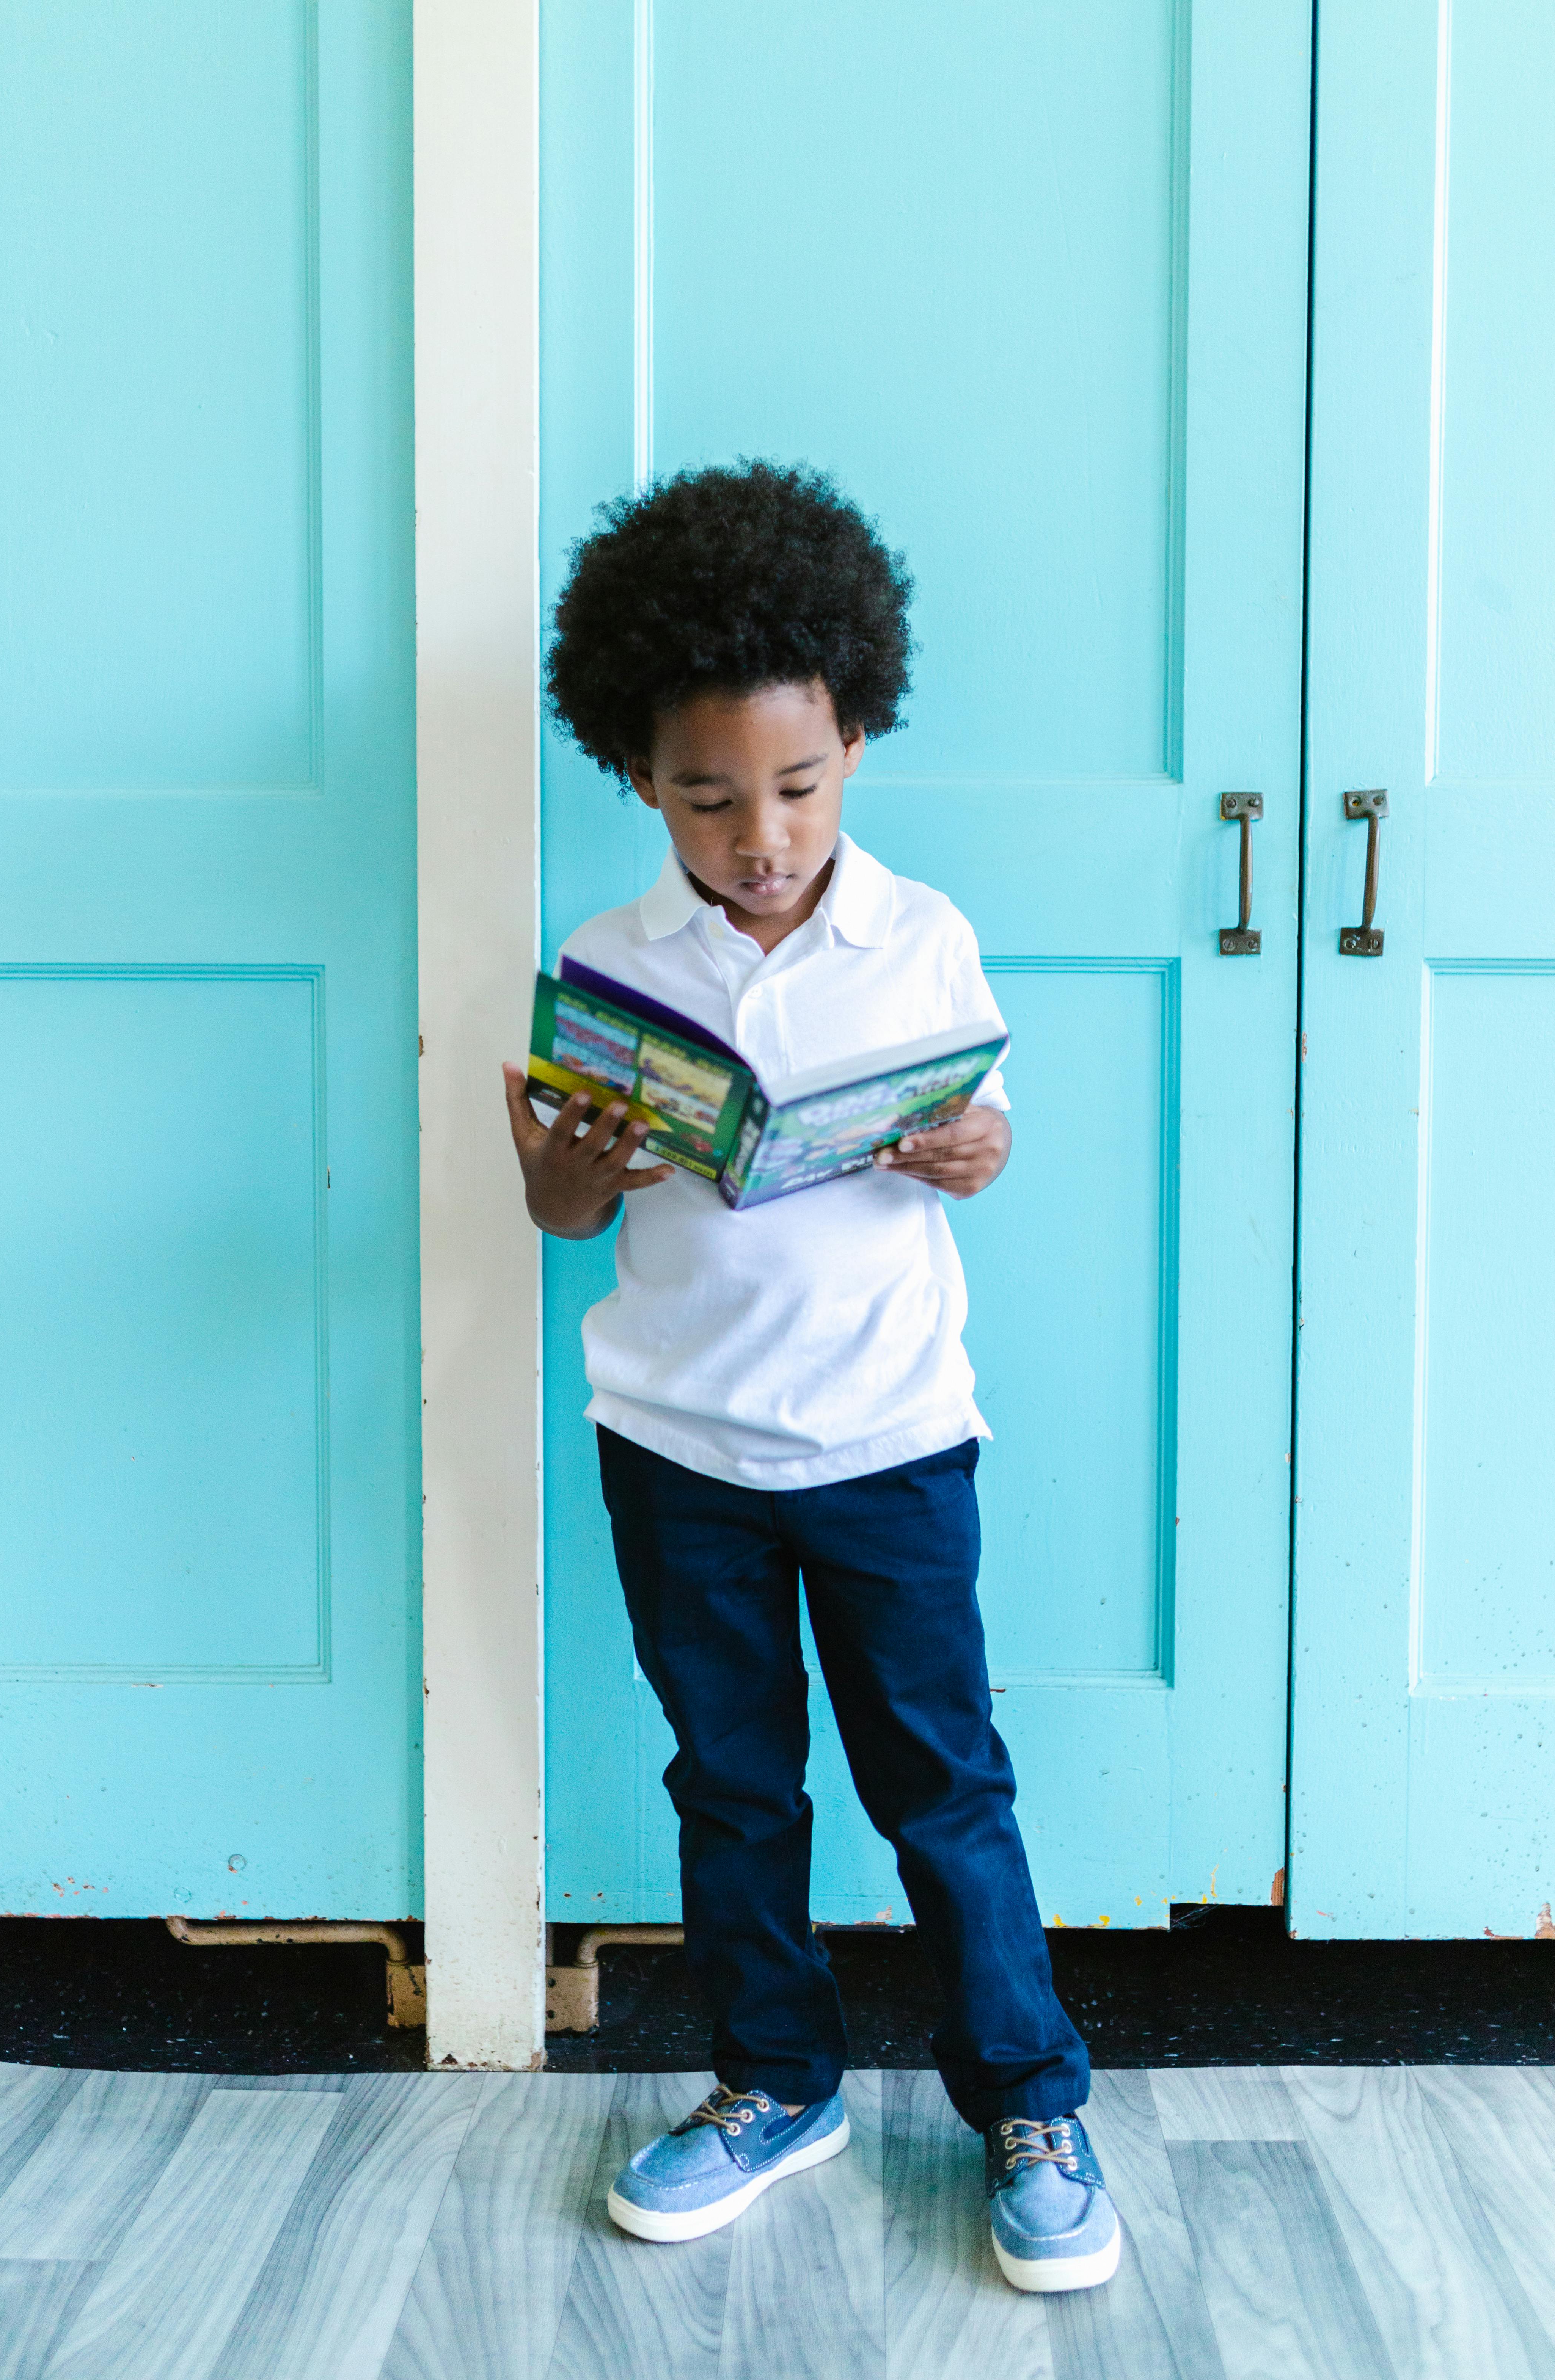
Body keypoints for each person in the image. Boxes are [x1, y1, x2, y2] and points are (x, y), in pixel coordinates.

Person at [504, 461, 1120, 2294]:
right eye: (708, 797)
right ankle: (778, 2079)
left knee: (945, 1781)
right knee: (734, 1781)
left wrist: (972, 1148)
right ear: (640, 778)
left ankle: (1028, 2094)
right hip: (677, 1441)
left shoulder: (918, 936)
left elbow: (982, 1124)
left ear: (856, 739)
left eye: (795, 784)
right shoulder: (609, 961)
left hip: (890, 1438)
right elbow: (550, 1207)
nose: (758, 834)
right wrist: (582, 1152)